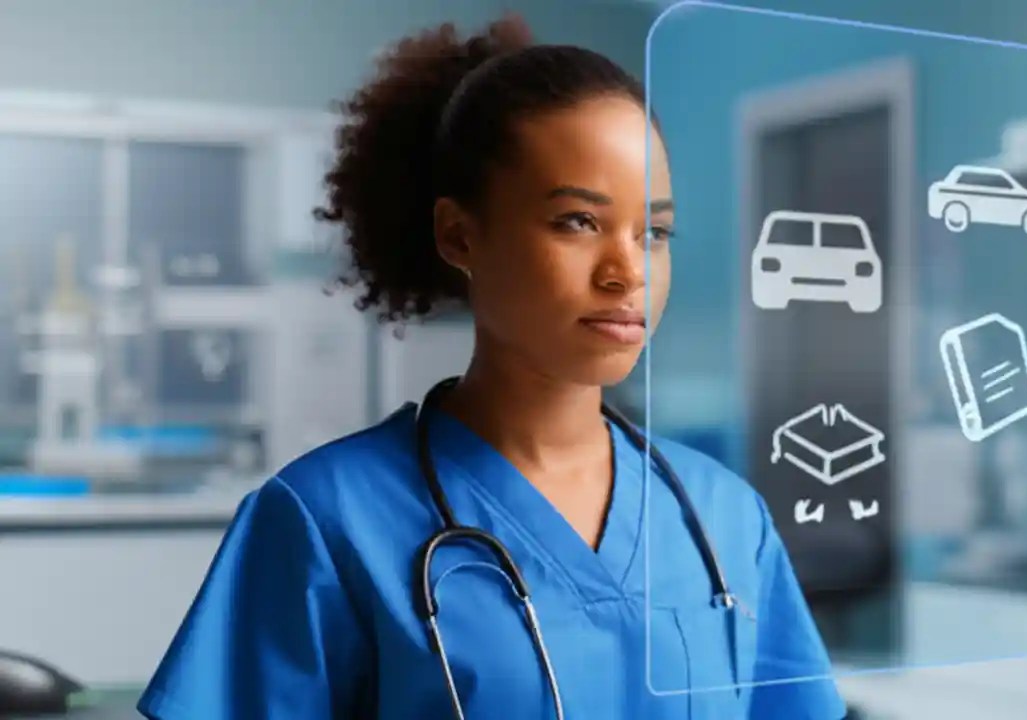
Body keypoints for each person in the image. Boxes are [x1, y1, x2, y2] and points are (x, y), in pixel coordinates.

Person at [137, 14, 846, 720]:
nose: (626, 272)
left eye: (653, 232)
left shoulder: (725, 517)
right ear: (459, 233)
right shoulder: (325, 519)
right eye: (577, 221)